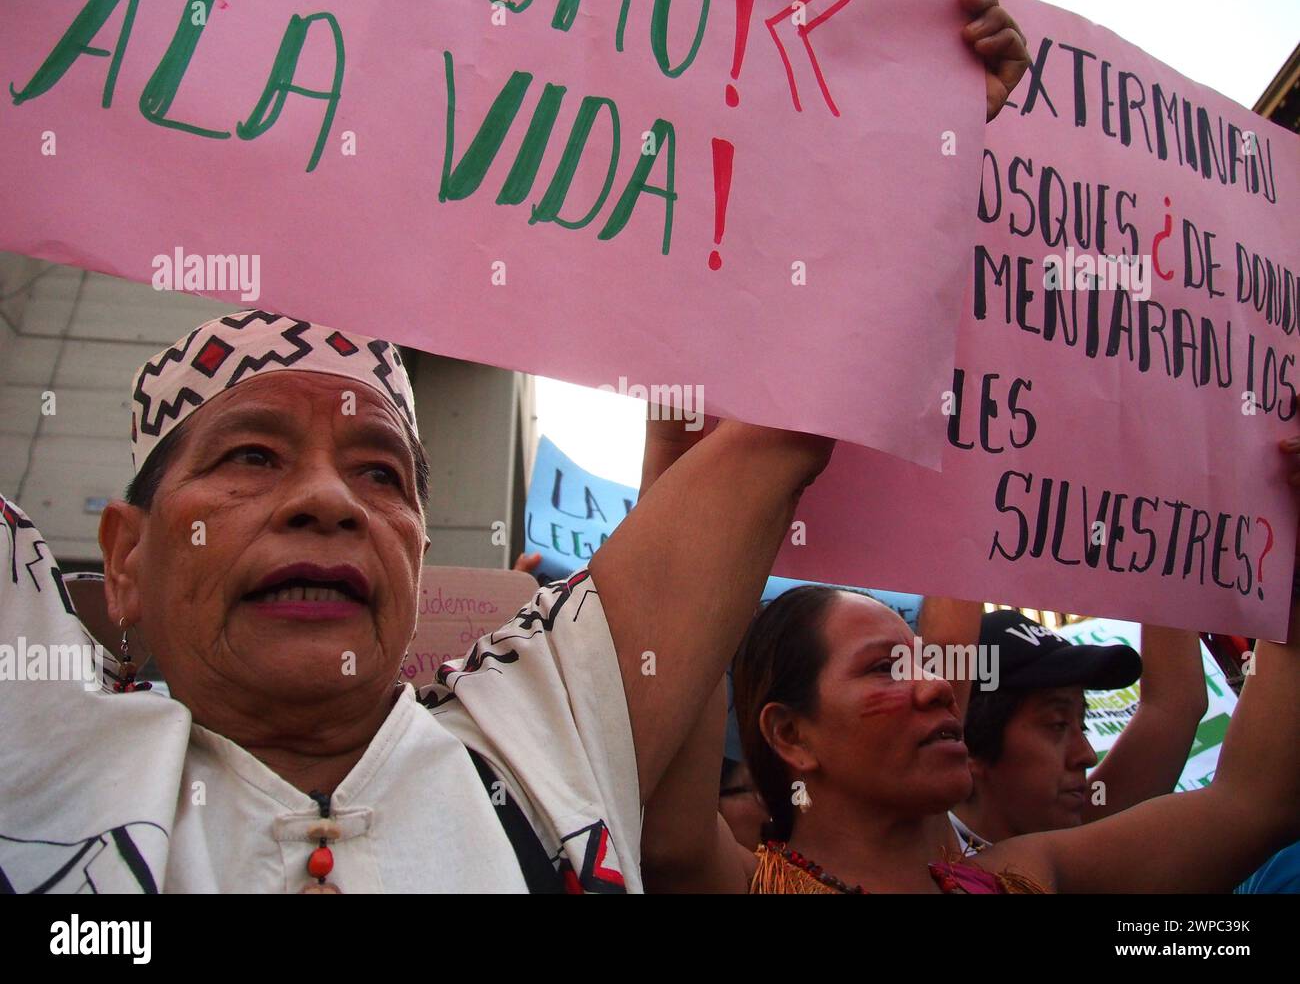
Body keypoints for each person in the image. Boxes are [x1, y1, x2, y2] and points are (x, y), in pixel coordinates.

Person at [0, 310, 831, 892]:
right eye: (251, 456)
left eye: (379, 474)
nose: (330, 500)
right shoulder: (40, 757)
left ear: (418, 556)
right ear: (127, 555)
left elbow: (789, 420)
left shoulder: (537, 751)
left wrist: (936, 111)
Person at [639, 445, 1300, 893]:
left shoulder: (1029, 873)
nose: (936, 685)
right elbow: (672, 610)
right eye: (884, 669)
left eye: (927, 660)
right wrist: (677, 430)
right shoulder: (725, 878)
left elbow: (1254, 801)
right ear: (790, 734)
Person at [953, 610, 1207, 849]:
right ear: (968, 745)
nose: (1086, 755)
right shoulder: (926, 874)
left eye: (1082, 724)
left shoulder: (1075, 842)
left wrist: (1167, 568)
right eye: (1058, 724)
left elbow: (1175, 705)